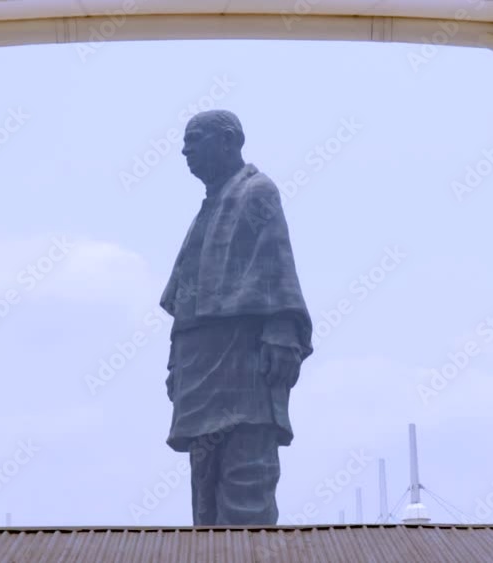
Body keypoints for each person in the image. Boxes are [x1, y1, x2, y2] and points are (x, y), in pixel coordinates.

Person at [159, 109, 313, 525]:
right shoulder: (206, 209)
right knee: (204, 489)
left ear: (228, 141)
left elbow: (277, 264)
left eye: (196, 139)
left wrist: (282, 329)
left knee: (247, 478)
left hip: (241, 356)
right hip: (200, 362)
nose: (185, 149)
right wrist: (176, 362)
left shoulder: (256, 191)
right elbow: (185, 295)